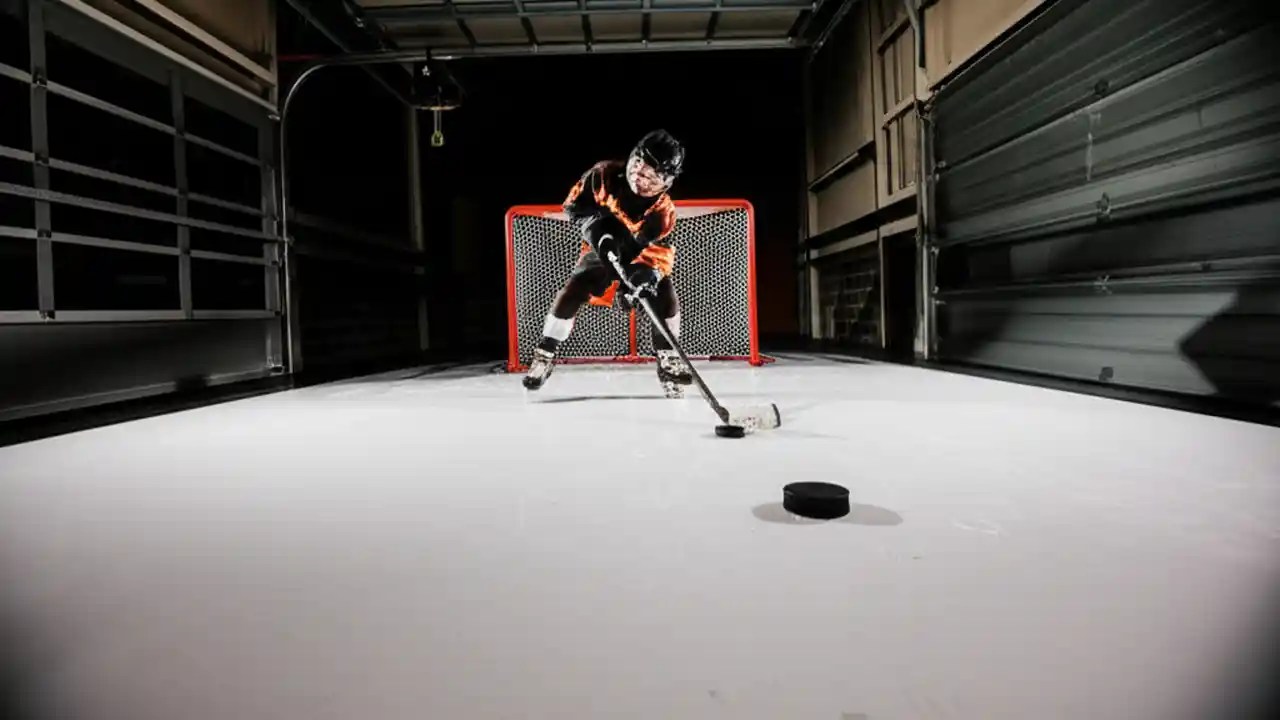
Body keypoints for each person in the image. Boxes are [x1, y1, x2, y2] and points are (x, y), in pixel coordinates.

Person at [523, 129, 693, 396]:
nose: (639, 176)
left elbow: (659, 256)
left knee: (664, 295)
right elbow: (574, 208)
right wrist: (598, 228)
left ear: (666, 183)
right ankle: (544, 355)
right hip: (603, 246)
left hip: (640, 254)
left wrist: (642, 280)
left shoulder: (663, 214)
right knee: (575, 288)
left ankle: (668, 361)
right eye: (638, 165)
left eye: (651, 175)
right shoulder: (602, 175)